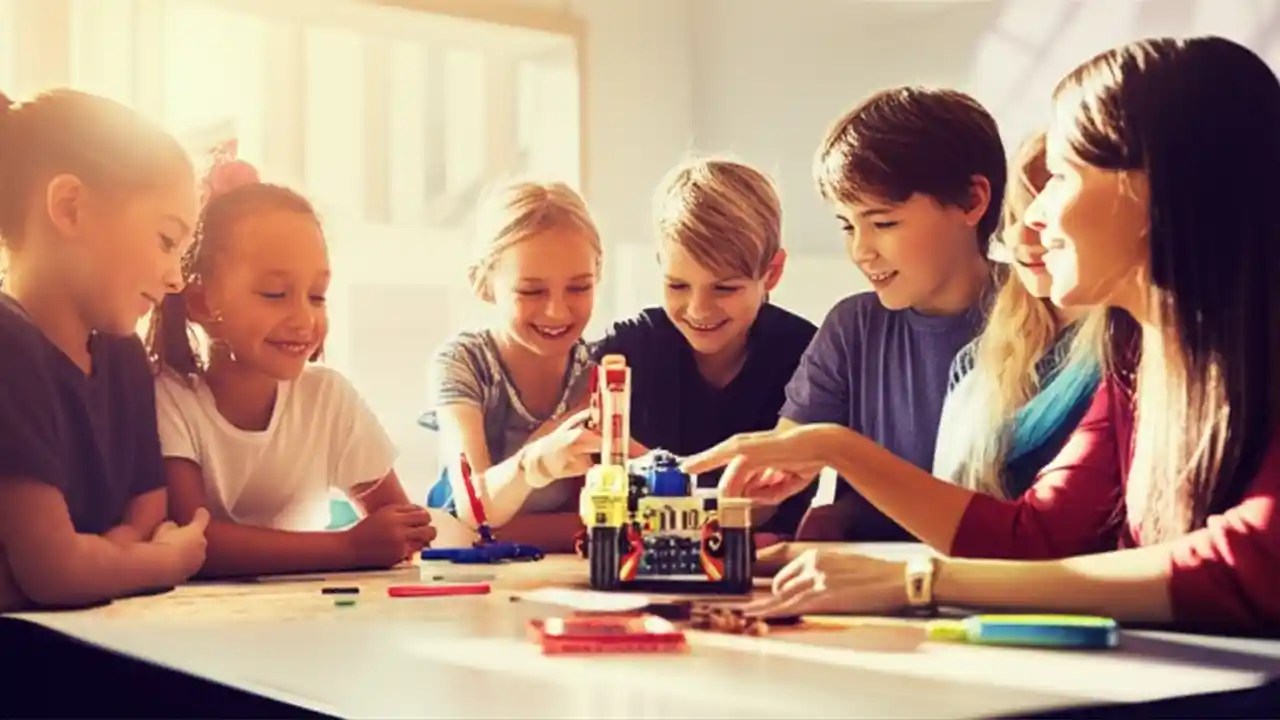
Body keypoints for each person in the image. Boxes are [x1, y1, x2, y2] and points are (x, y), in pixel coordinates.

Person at [683, 36, 1280, 632]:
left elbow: (1251, 565)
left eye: (1063, 177)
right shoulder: (1134, 354)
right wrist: (835, 448)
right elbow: (1036, 537)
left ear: (1163, 189)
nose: (1036, 218)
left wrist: (919, 582)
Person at [149, 147, 434, 577]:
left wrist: (402, 532)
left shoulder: (328, 397)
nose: (304, 318)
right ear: (202, 302)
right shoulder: (169, 398)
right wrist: (348, 547)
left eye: (317, 296)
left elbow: (399, 523)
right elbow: (196, 541)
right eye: (274, 294)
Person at [0, 88, 208, 611]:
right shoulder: (8, 344)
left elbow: (147, 503)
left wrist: (100, 562)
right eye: (166, 241)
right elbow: (55, 571)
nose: (175, 278)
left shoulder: (123, 356)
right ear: (70, 208)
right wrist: (167, 560)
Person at [779, 86, 1006, 540]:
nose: (861, 251)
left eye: (884, 223)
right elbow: (783, 464)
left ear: (972, 201)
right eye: (847, 225)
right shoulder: (852, 328)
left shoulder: (1049, 322)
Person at [593, 157, 816, 535]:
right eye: (677, 285)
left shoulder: (808, 356)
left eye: (725, 288)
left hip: (763, 573)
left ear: (772, 273)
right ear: (660, 263)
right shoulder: (626, 351)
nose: (698, 309)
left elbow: (760, 508)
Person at [421, 181, 603, 551]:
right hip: (465, 574)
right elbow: (474, 506)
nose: (557, 311)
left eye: (579, 287)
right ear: (485, 283)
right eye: (531, 291)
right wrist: (534, 460)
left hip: (561, 571)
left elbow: (606, 520)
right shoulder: (464, 362)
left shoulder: (600, 369)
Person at [932, 130, 1102, 499]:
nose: (1023, 239)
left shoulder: (1126, 353)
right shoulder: (974, 364)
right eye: (1013, 216)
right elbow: (946, 499)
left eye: (1043, 217)